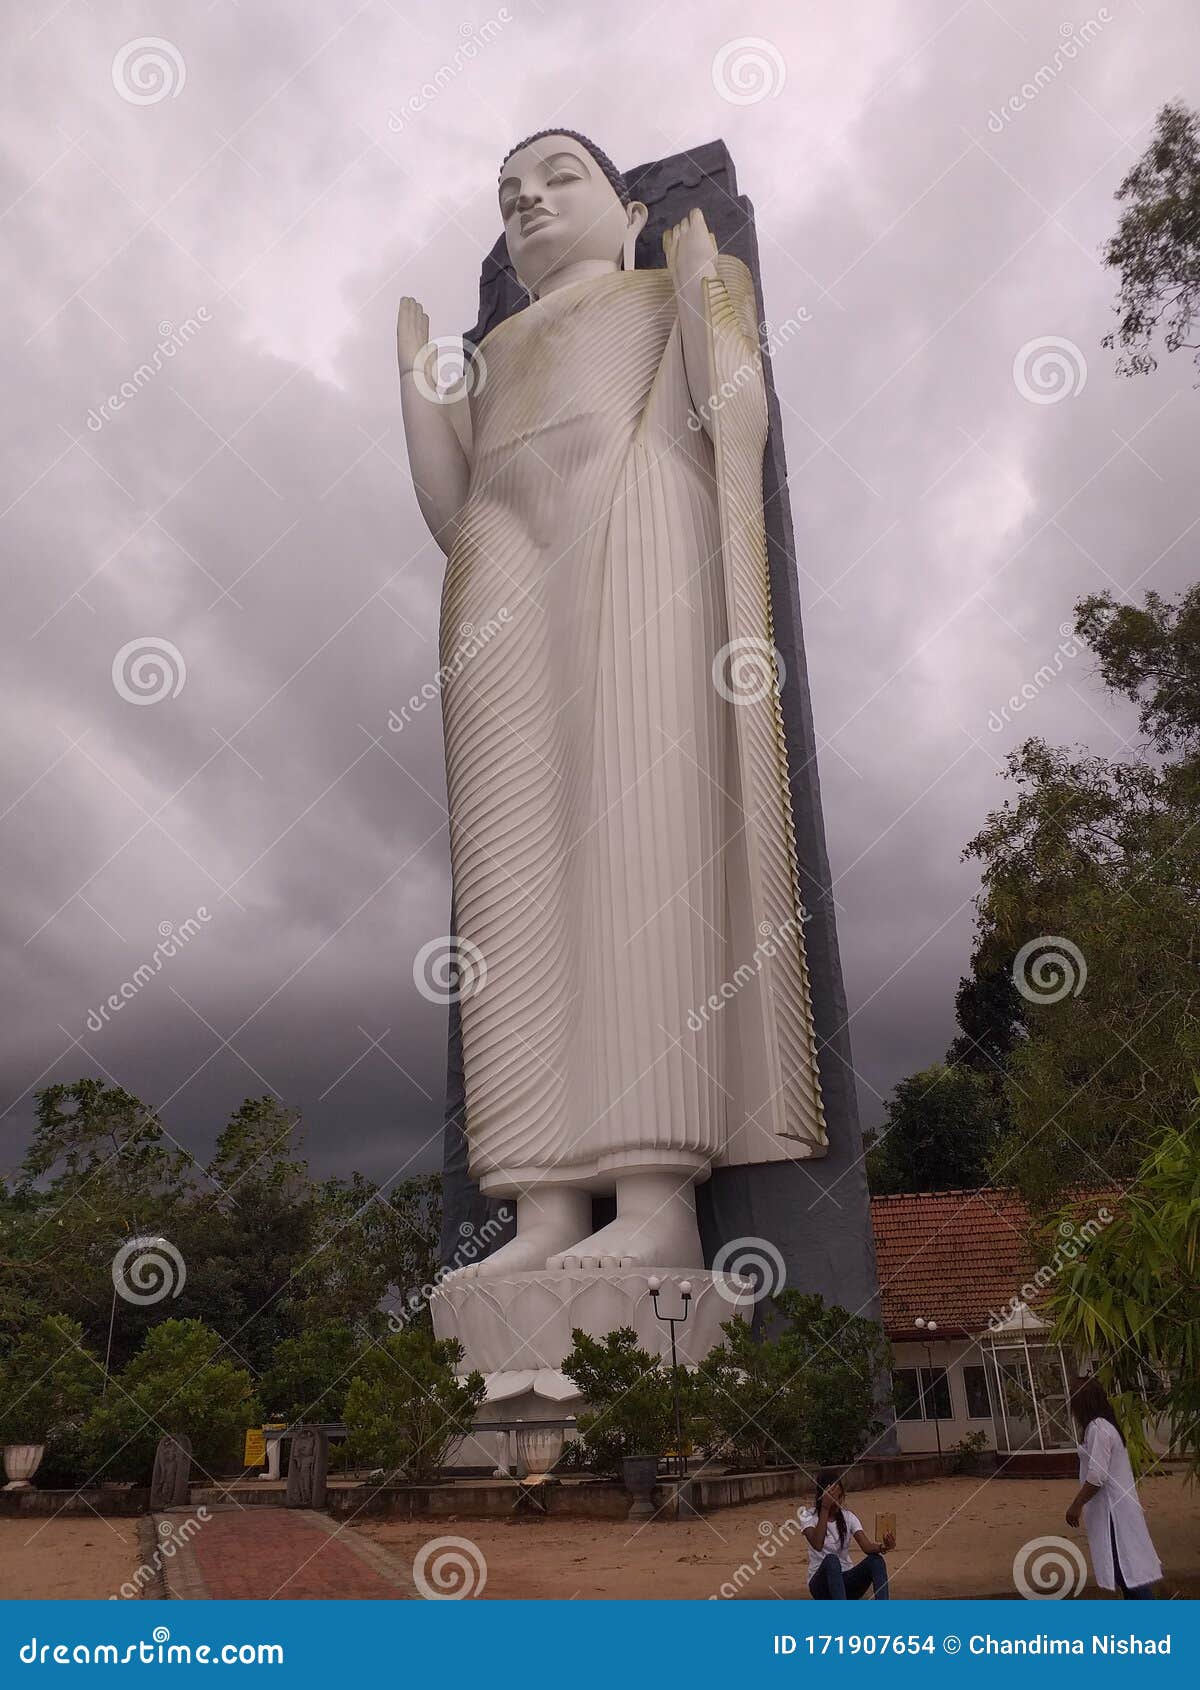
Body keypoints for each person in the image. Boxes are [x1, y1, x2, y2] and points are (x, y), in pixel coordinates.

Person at [1066, 1377, 1161, 1599]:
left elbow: (1097, 1476)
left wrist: (1075, 1506)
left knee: (1129, 1573)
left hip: (1114, 1514)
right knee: (1128, 1571)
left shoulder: (1098, 1429)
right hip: (1115, 1511)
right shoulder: (1103, 1427)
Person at [800, 1471, 894, 1599]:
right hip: (821, 1585)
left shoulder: (848, 1517)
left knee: (876, 1561)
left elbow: (866, 1547)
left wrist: (883, 1547)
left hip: (846, 1581)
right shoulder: (808, 1516)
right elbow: (817, 1544)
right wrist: (825, 1509)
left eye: (839, 1498)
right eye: (832, 1499)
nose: (837, 1503)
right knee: (832, 1560)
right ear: (821, 1497)